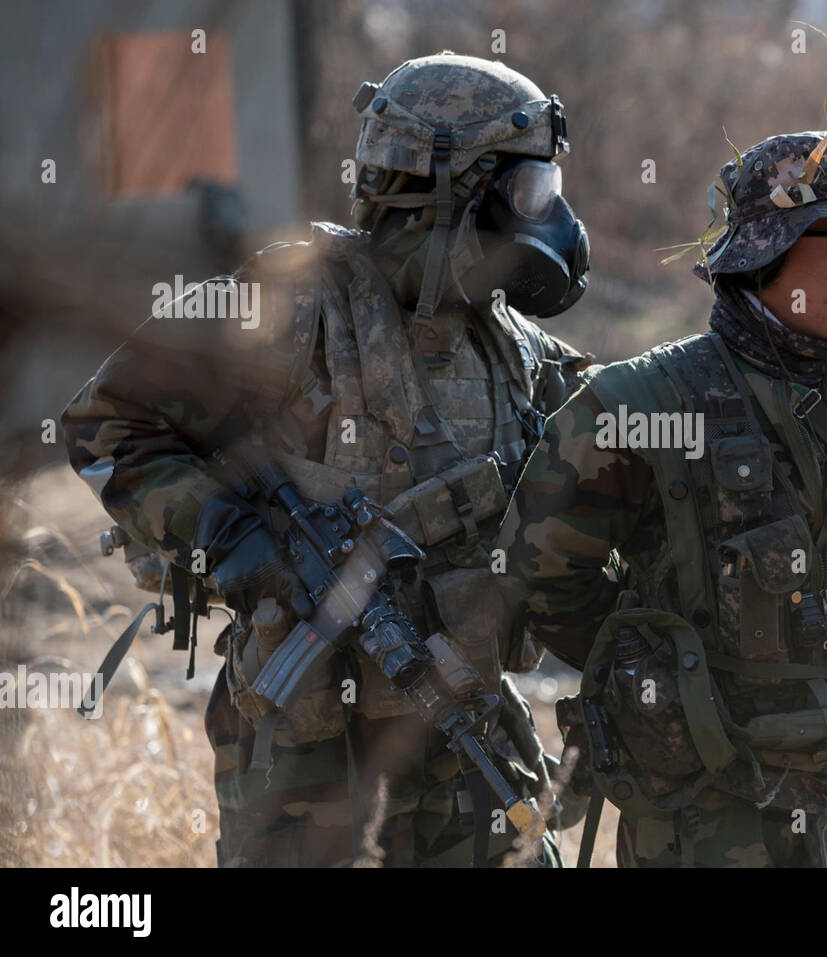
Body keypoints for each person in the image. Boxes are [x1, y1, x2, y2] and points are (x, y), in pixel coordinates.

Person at [62, 53, 594, 868]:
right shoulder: (289, 301)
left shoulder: (515, 349)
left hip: (462, 716)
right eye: (528, 192)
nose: (546, 216)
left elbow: (614, 464)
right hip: (307, 743)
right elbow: (108, 420)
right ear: (446, 186)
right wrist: (233, 539)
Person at [496, 131, 827, 867]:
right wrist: (664, 677)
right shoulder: (639, 404)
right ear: (767, 255)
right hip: (702, 814)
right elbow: (537, 575)